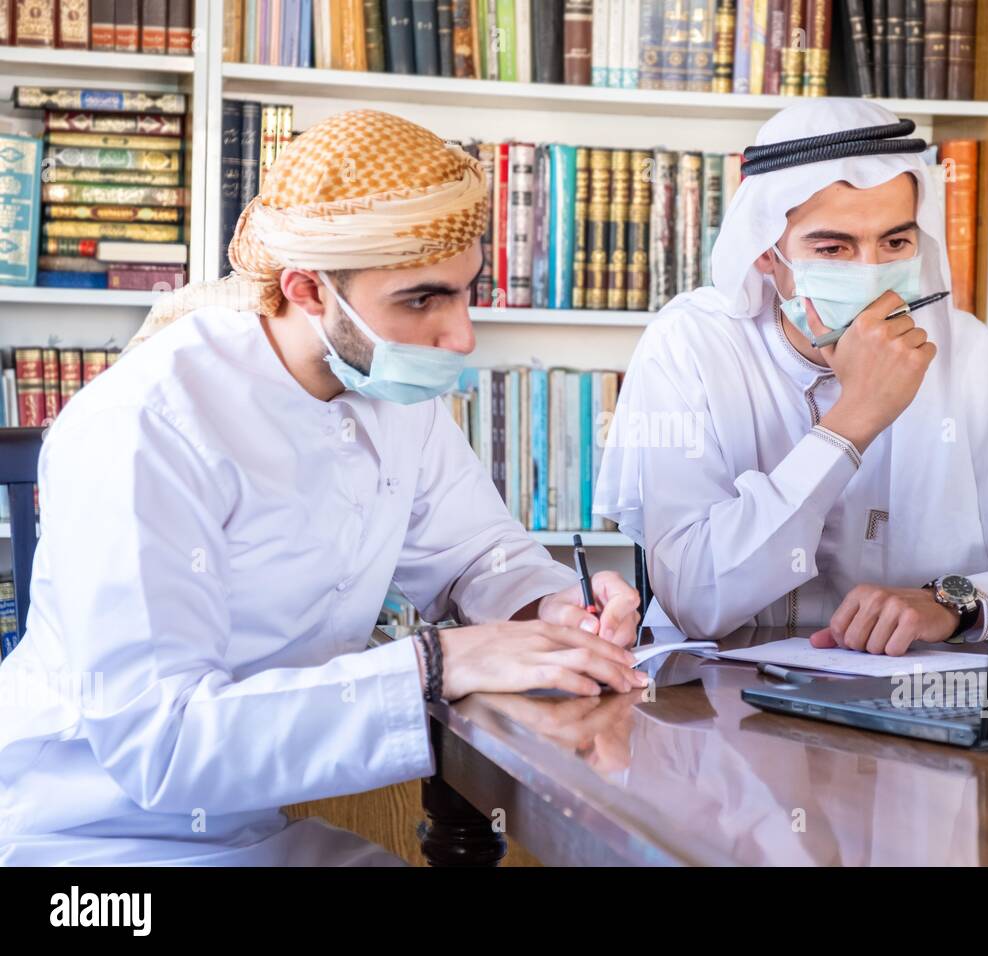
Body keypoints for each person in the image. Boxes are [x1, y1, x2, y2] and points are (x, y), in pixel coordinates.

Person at [0, 109, 644, 866]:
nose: (462, 336)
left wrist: (553, 607)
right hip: (84, 844)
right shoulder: (145, 424)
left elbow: (474, 553)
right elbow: (161, 744)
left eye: (466, 292)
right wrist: (439, 664)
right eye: (422, 299)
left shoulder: (389, 389)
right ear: (307, 288)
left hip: (248, 830)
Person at [594, 99, 988, 652]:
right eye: (834, 247)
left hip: (918, 703)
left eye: (894, 243)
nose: (871, 272)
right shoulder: (689, 347)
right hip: (720, 706)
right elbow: (699, 600)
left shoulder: (978, 359)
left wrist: (953, 603)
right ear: (768, 253)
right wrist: (853, 420)